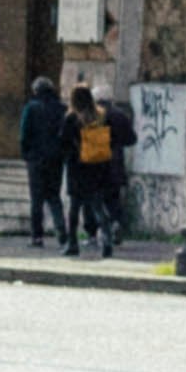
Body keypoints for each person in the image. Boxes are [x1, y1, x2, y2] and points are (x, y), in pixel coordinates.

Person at [68, 84, 127, 258]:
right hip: (98, 166)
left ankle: (72, 243)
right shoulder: (102, 117)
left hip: (77, 168)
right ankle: (107, 240)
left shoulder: (72, 118)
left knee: (74, 207)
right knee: (98, 206)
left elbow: (62, 140)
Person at [18, 75, 72, 250]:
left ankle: (37, 237)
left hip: (36, 159)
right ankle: (61, 230)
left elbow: (24, 134)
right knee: (54, 196)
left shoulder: (31, 108)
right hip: (56, 159)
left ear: (36, 91)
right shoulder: (62, 109)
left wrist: (26, 154)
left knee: (37, 199)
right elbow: (67, 134)